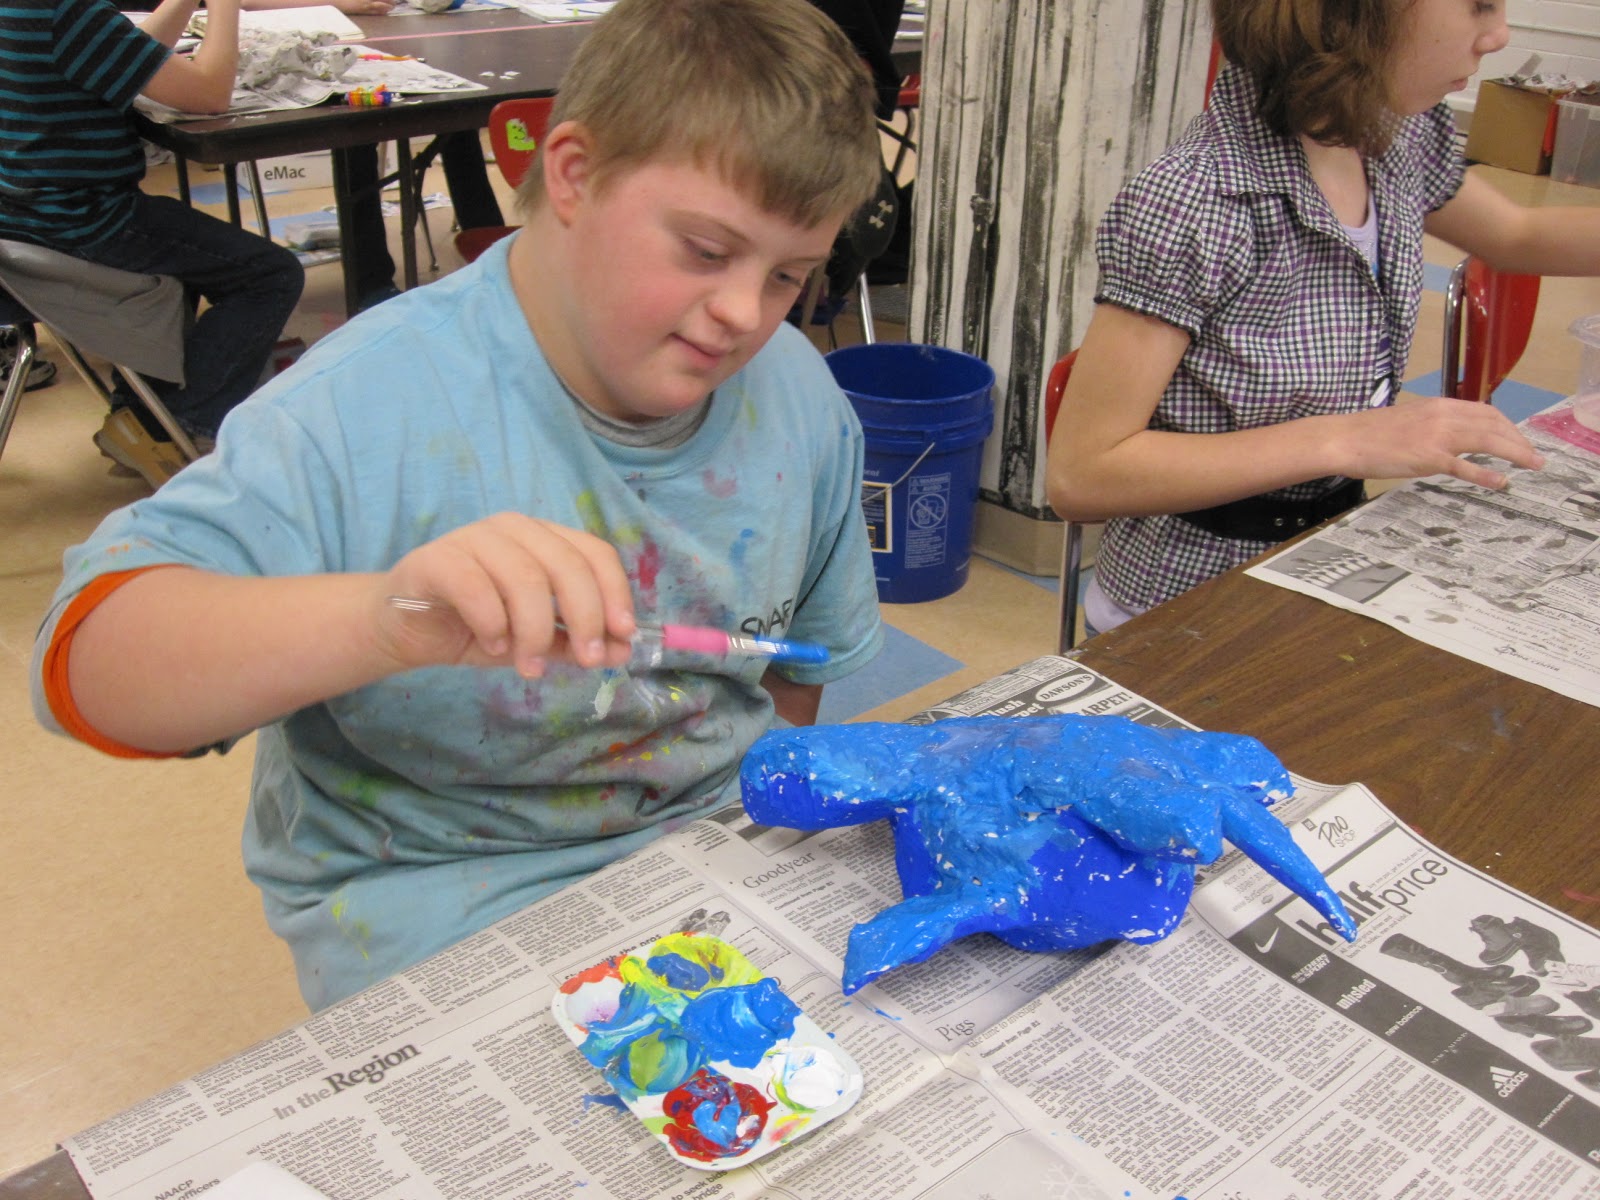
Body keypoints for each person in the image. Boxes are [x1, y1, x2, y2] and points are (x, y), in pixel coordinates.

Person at [31, 0, 885, 1011]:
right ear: (572, 174)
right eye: (704, 250)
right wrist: (382, 618)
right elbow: (85, 674)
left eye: (787, 275)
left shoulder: (798, 399)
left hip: (708, 865)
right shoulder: (357, 409)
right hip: (439, 902)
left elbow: (793, 677)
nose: (744, 312)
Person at [1046, 0, 1600, 635]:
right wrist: (1347, 437)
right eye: (1477, 6)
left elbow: (1518, 235)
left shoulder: (1391, 135)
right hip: (1183, 609)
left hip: (1319, 565)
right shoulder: (1198, 202)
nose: (1497, 36)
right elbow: (1082, 474)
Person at [0, 0, 305, 488]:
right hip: (83, 220)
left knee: (181, 257)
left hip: (22, 215)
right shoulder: (64, 11)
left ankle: (140, 415)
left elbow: (129, 52)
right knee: (271, 274)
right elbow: (210, 95)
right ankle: (180, 422)